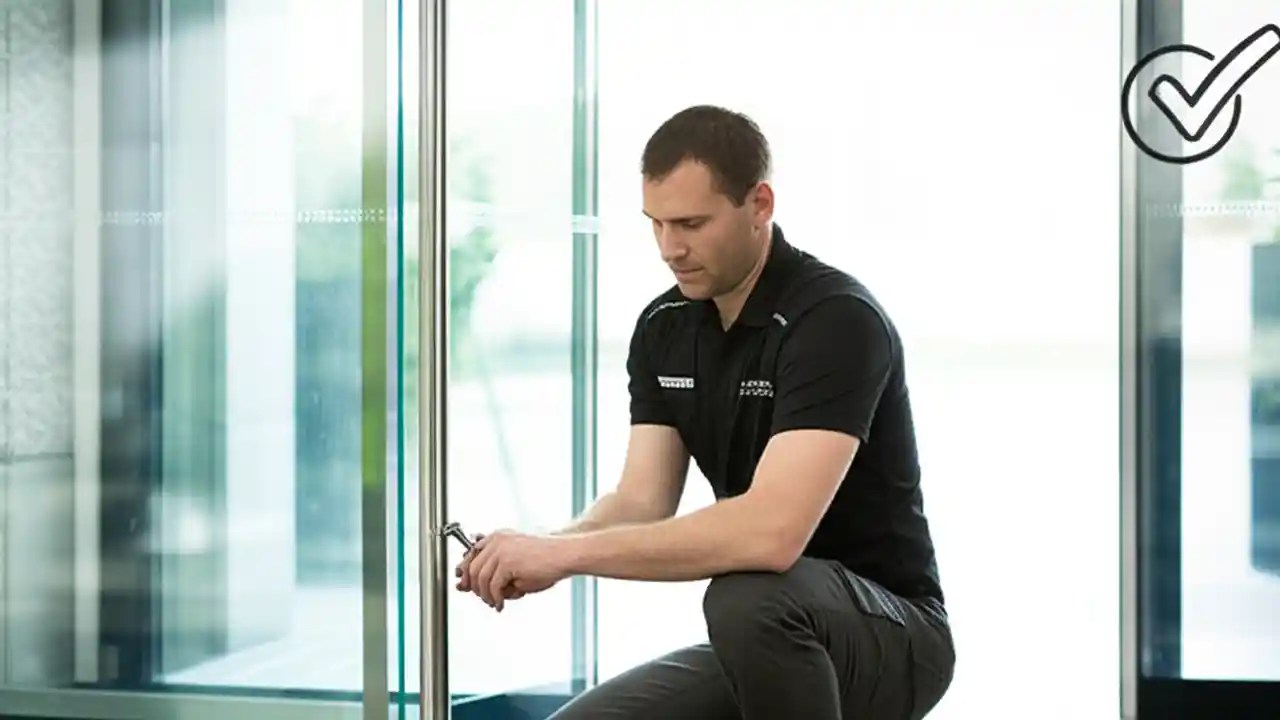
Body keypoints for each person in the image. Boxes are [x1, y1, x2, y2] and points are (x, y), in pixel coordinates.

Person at [454, 104, 955, 720]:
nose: (670, 248)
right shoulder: (664, 327)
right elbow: (641, 503)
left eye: (691, 223)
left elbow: (771, 534)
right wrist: (539, 547)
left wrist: (563, 557)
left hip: (892, 636)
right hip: (768, 633)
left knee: (747, 594)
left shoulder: (836, 321)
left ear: (760, 205)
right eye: (656, 224)